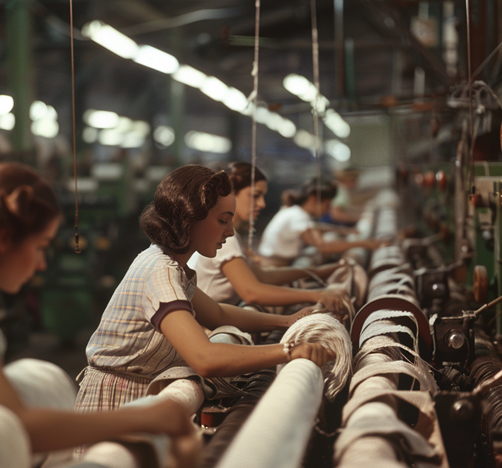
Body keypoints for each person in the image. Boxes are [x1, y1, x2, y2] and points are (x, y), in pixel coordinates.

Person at [0, 162, 194, 451]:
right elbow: (15, 428)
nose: (42, 264)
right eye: (40, 246)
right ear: (4, 240)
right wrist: (143, 418)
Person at [74, 164, 335, 414]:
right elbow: (204, 358)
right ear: (190, 218)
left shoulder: (169, 264)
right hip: (117, 402)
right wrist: (288, 350)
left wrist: (288, 321)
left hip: (139, 398)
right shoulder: (160, 271)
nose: (230, 232)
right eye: (223, 220)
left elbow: (218, 314)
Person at [188, 161, 342, 309]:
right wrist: (316, 295)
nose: (262, 204)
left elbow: (264, 276)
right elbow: (252, 293)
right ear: (229, 194)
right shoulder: (222, 238)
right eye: (255, 195)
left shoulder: (227, 234)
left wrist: (316, 272)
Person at [257, 177, 384, 266]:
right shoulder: (297, 216)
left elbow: (316, 227)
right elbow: (323, 246)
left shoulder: (293, 211)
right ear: (314, 199)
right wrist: (364, 244)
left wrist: (343, 230)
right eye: (327, 204)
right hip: (273, 266)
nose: (328, 210)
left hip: (274, 262)